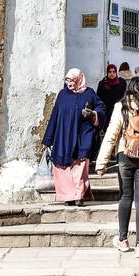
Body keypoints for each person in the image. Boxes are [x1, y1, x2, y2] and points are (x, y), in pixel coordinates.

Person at [95, 76, 139, 257]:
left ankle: (123, 240)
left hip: (126, 155)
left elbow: (111, 135)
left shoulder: (121, 107)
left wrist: (101, 163)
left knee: (125, 197)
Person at [41, 69, 103, 205]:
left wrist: (93, 114)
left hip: (83, 134)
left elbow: (101, 108)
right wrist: (48, 139)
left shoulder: (89, 93)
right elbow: (55, 115)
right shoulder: (63, 95)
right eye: (67, 80)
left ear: (79, 79)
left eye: (72, 80)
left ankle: (78, 195)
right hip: (63, 136)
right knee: (62, 167)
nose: (69, 83)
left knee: (80, 165)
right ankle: (68, 196)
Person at [93, 64, 127, 169]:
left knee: (119, 132)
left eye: (113, 72)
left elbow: (124, 95)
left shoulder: (121, 82)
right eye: (110, 72)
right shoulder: (102, 84)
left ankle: (116, 153)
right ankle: (110, 154)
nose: (112, 74)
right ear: (107, 73)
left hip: (118, 111)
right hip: (107, 112)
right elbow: (98, 98)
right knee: (109, 132)